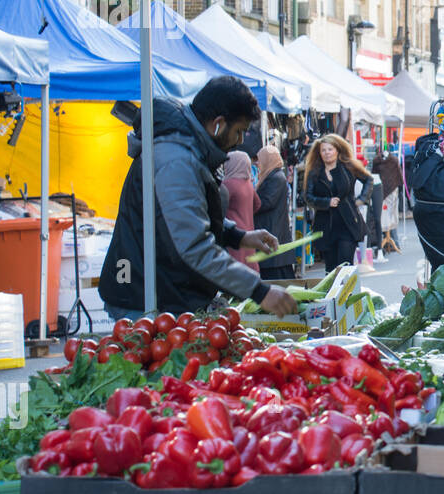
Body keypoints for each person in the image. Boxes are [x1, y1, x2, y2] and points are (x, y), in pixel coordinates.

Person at [100, 76, 298, 320]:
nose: (239, 141)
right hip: (142, 294)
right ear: (218, 123)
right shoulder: (177, 159)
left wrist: (239, 236)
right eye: (239, 131)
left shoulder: (187, 146)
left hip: (159, 286)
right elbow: (193, 245)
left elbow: (189, 214)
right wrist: (259, 291)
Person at [303, 134, 372, 272]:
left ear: (337, 150)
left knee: (345, 267)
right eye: (323, 150)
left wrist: (361, 200)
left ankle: (347, 294)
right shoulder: (315, 172)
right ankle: (332, 294)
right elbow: (308, 197)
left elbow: (368, 180)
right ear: (319, 153)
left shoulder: (348, 167)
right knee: (331, 269)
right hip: (326, 226)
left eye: (330, 149)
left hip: (348, 223)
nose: (327, 153)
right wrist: (326, 202)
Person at [254, 144, 295, 281]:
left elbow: (266, 202)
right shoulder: (272, 176)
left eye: (260, 159)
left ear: (267, 160)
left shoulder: (275, 178)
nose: (257, 163)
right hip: (273, 232)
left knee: (278, 280)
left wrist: (249, 199)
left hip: (273, 232)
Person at [222, 150, 260, 268]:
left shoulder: (228, 184)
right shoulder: (248, 184)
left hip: (233, 232)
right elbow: (258, 204)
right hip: (248, 228)